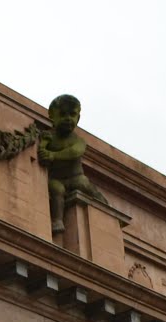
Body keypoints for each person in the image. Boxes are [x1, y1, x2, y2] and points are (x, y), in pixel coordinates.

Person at [38, 94, 106, 233]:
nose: (68, 118)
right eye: (62, 114)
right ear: (52, 116)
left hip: (76, 177)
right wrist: (44, 149)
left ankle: (106, 209)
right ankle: (57, 221)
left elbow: (75, 152)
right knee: (57, 190)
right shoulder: (49, 136)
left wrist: (53, 155)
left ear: (78, 118)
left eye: (72, 114)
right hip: (57, 179)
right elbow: (41, 152)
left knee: (89, 188)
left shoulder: (77, 140)